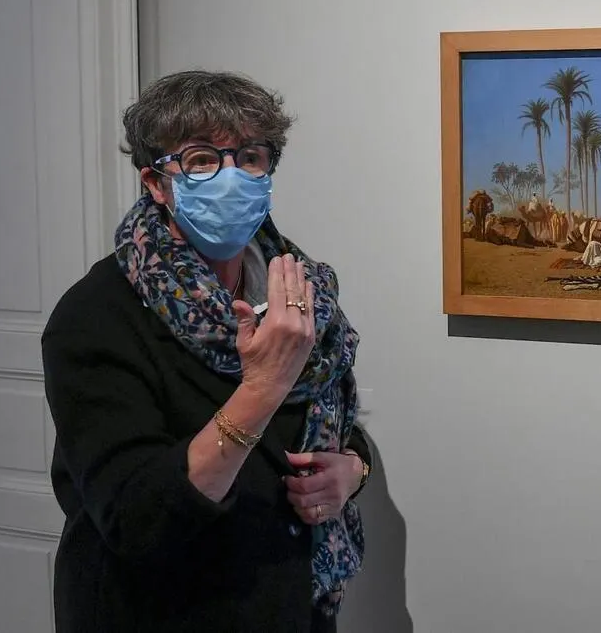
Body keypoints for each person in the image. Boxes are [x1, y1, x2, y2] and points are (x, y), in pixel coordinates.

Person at [41, 70, 371, 633]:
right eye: (199, 160)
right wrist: (261, 388)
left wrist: (351, 471)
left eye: (249, 156)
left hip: (288, 601)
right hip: (160, 610)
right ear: (156, 183)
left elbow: (337, 421)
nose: (231, 177)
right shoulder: (95, 316)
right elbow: (136, 519)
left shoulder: (295, 287)